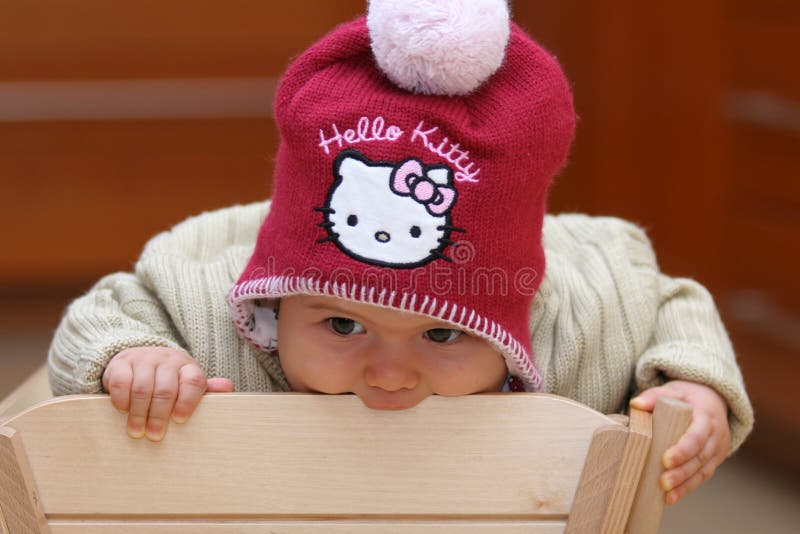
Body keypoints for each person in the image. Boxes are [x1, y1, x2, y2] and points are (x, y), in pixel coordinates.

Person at [47, 0, 752, 506]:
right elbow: (114, 306)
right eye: (342, 327)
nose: (389, 375)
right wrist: (134, 356)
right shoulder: (212, 308)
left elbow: (671, 302)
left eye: (442, 334)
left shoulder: (585, 317)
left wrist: (691, 383)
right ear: (276, 303)